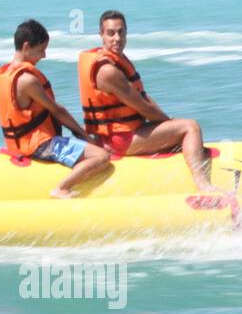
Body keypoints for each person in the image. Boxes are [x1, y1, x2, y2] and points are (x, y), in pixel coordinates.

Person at [78, 10, 214, 191]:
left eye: (121, 32)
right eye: (111, 33)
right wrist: (170, 124)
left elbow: (143, 97)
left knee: (178, 128)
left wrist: (168, 125)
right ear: (101, 35)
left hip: (121, 134)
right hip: (120, 140)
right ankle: (203, 185)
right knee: (191, 127)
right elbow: (144, 108)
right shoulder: (107, 71)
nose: (117, 38)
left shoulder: (113, 60)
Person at [0, 19, 111, 198]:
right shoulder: (27, 80)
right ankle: (62, 187)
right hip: (40, 145)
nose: (44, 55)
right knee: (101, 156)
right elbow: (57, 111)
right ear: (26, 47)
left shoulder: (4, 74)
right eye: (41, 50)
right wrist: (84, 136)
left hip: (19, 145)